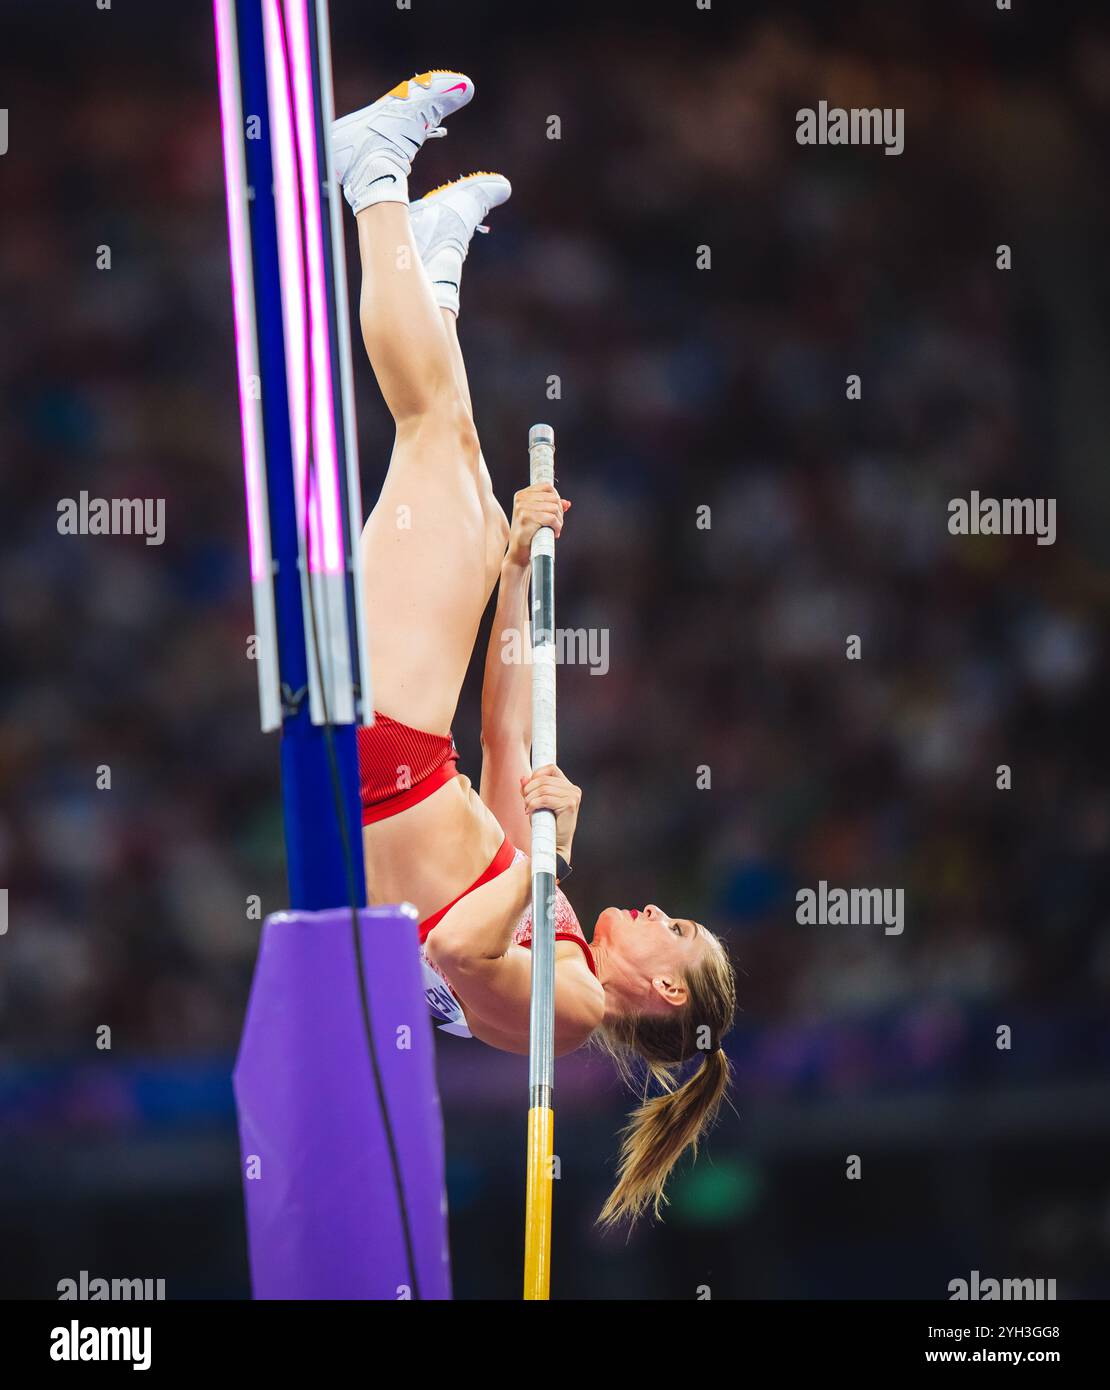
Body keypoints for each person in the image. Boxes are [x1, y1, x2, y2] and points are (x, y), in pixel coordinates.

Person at [333, 70, 737, 1225]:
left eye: (678, 929)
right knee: (458, 471)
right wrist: (518, 576)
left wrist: (538, 862)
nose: (662, 909)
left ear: (660, 984)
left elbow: (458, 951)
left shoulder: (564, 1008)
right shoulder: (559, 935)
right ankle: (431, 268)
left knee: (436, 439)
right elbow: (510, 728)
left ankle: (372, 180)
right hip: (413, 750)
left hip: (376, 766)